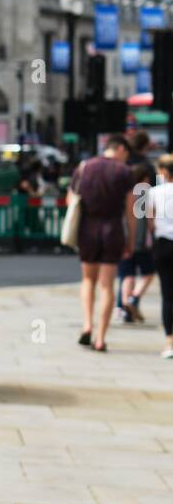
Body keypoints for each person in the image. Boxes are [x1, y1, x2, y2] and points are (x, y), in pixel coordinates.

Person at [68, 134, 136, 352]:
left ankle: (87, 325)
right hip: (112, 229)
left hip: (87, 229)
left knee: (88, 279)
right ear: (121, 149)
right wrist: (131, 240)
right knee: (107, 285)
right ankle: (100, 338)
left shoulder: (84, 167)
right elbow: (131, 212)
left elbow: (70, 199)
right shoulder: (125, 172)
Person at [116, 163, 155, 323]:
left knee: (127, 275)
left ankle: (125, 308)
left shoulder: (122, 193)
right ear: (143, 178)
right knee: (148, 273)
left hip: (123, 239)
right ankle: (134, 298)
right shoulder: (144, 193)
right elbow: (150, 220)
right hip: (141, 241)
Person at [146, 155, 173, 358]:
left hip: (163, 244)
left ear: (164, 171)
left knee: (167, 294)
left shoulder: (154, 192)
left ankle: (169, 340)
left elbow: (150, 222)